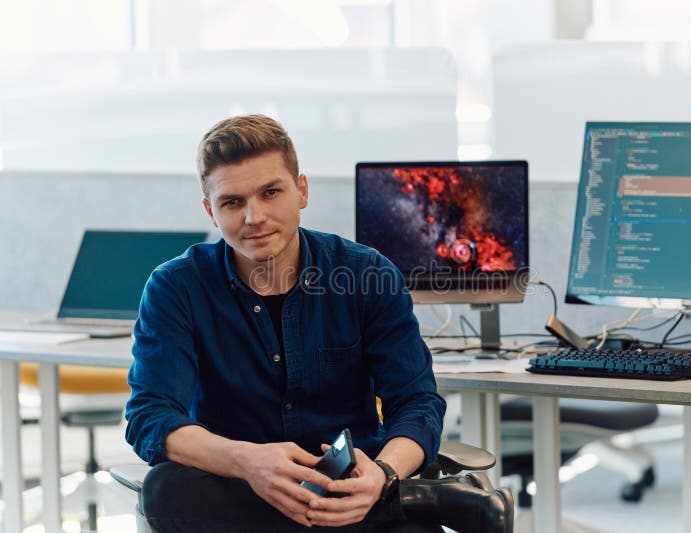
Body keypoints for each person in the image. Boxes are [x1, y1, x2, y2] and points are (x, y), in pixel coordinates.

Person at [124, 114, 511, 533]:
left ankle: (392, 498)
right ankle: (421, 500)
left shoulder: (367, 274)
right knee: (166, 490)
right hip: (242, 488)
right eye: (232, 202)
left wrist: (384, 474)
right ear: (211, 212)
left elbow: (417, 404)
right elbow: (152, 416)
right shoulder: (176, 287)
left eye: (270, 192)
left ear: (301, 191)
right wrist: (248, 461)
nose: (254, 216)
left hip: (354, 490)